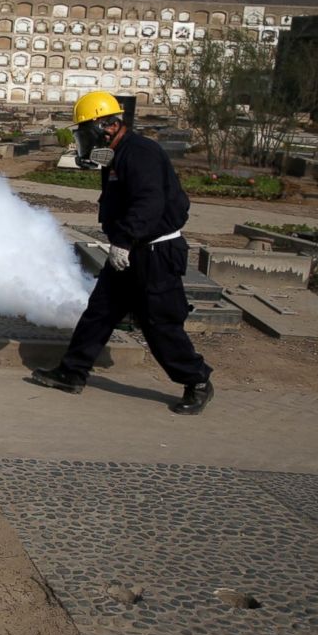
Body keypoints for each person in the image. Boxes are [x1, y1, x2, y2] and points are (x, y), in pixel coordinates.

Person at [31, 91, 214, 414]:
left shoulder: (140, 153)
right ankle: (72, 373)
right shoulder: (117, 153)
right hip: (129, 251)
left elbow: (149, 202)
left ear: (108, 126)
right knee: (100, 312)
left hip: (155, 253)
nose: (84, 138)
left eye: (86, 131)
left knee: (160, 323)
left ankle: (197, 380)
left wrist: (125, 240)